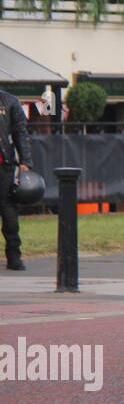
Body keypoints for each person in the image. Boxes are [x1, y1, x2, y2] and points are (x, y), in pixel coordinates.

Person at [0, 88, 33, 271]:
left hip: (4, 168)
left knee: (9, 213)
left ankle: (14, 256)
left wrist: (25, 161)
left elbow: (21, 132)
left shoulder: (10, 101)